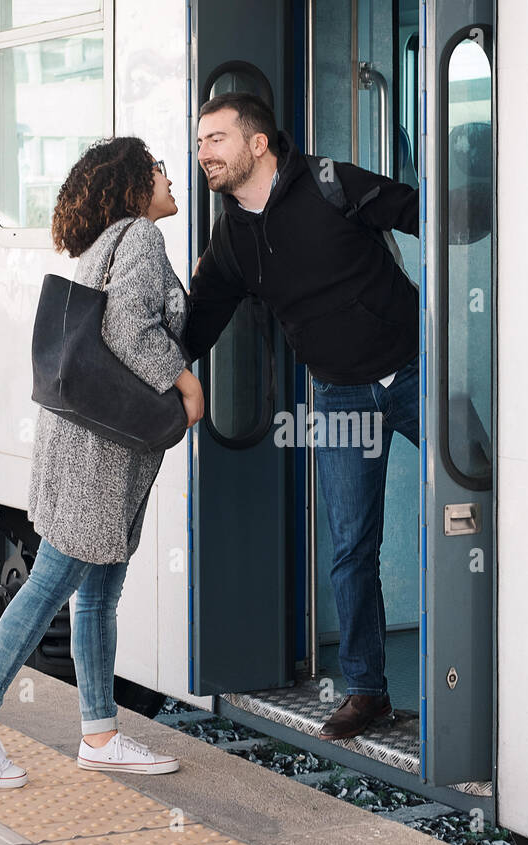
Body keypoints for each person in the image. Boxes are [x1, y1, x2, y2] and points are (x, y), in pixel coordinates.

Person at [0, 137, 203, 787]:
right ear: (137, 183)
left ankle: (100, 733)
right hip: (97, 460)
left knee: (97, 595)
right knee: (52, 584)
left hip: (88, 447)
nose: (172, 176)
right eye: (161, 167)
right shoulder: (140, 236)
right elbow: (127, 329)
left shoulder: (109, 239)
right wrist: (186, 385)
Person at [185, 92, 419, 741]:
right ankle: (367, 690)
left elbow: (423, 213)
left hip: (416, 372)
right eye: (200, 141)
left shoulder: (330, 184)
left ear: (257, 144)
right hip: (340, 395)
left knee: (487, 500)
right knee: (351, 548)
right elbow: (199, 320)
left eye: (216, 139)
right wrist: (147, 373)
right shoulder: (231, 236)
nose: (204, 152)